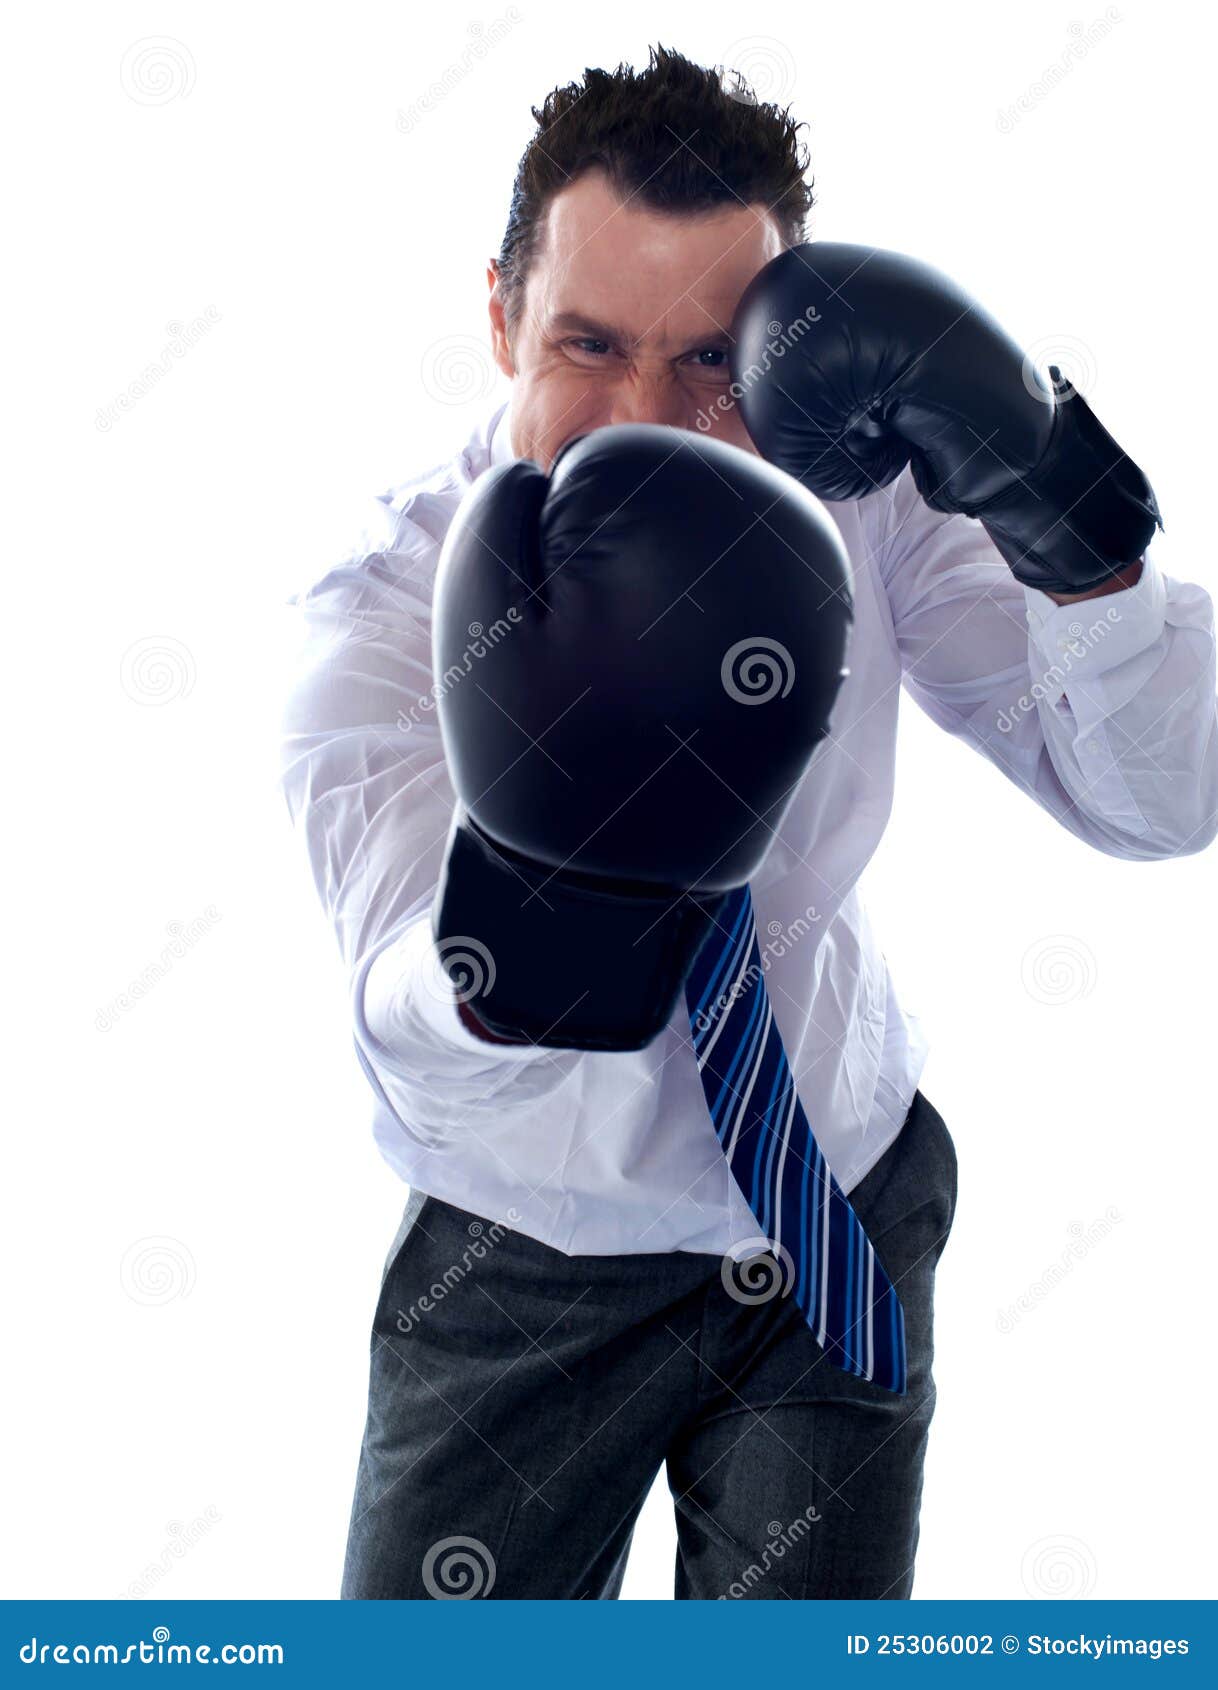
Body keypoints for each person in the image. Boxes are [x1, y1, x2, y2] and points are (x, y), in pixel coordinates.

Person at [278, 46, 1218, 1600]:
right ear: (501, 317)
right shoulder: (387, 604)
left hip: (840, 1197)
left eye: (711, 359)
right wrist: (531, 929)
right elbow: (399, 1025)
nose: (647, 417)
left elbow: (1164, 802)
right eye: (587, 343)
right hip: (526, 1255)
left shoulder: (868, 500)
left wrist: (1065, 514)